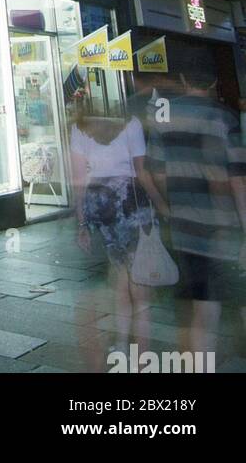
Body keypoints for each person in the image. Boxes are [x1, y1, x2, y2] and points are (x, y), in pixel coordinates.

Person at [147, 64, 246, 358]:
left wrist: (170, 206)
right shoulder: (224, 117)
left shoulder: (163, 115)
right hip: (226, 229)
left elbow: (157, 173)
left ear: (182, 77)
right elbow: (238, 179)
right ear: (214, 80)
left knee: (203, 308)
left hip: (186, 229)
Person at [69, 108, 167, 358]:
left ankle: (122, 343)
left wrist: (82, 224)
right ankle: (142, 352)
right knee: (140, 281)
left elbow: (78, 178)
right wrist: (161, 203)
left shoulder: (80, 127)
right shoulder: (131, 122)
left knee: (120, 275)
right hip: (130, 201)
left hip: (101, 203)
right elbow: (142, 171)